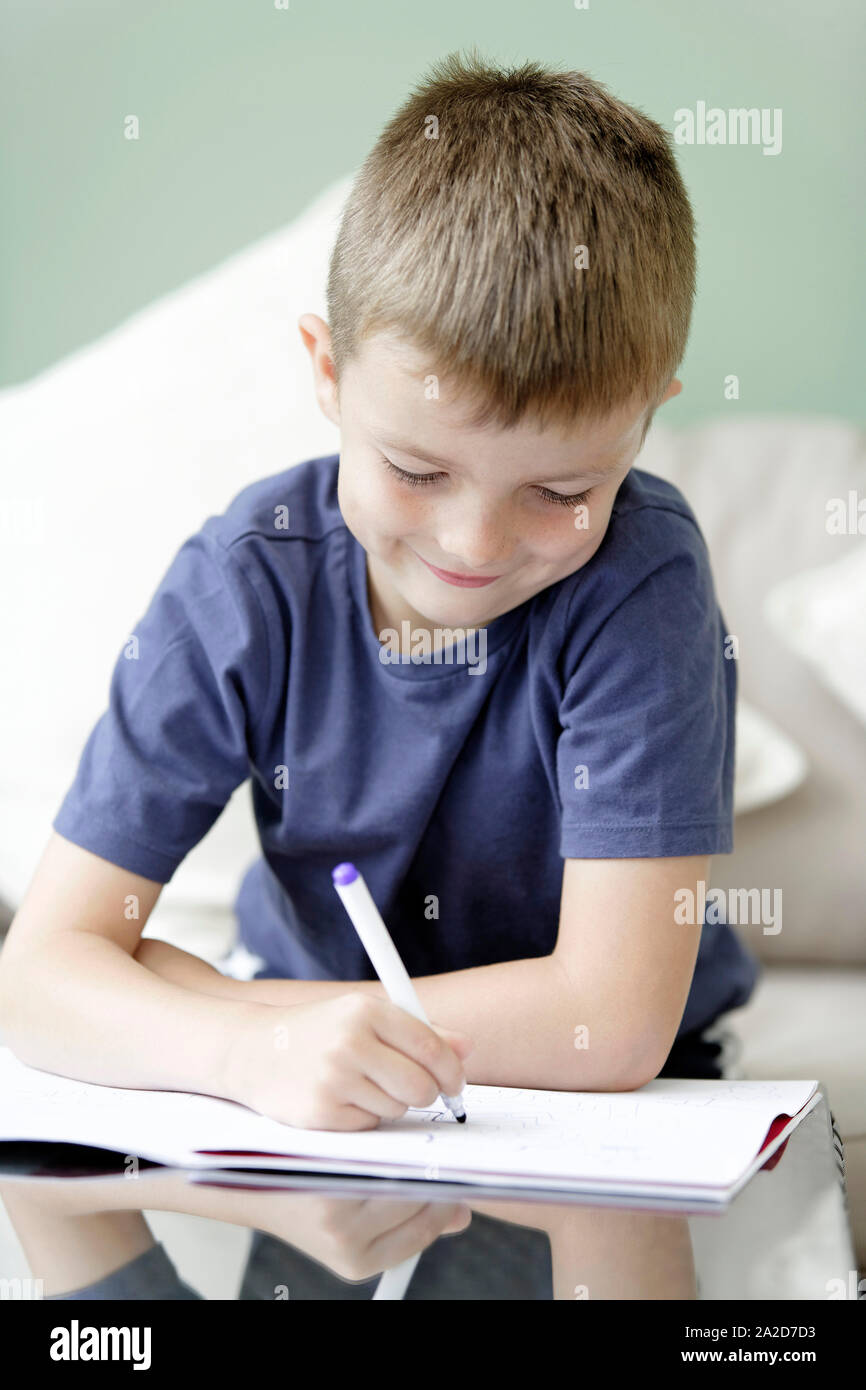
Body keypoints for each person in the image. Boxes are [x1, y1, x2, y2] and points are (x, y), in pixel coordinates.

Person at [0, 52, 759, 1137]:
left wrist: (249, 1010)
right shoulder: (244, 582)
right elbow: (38, 976)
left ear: (643, 422)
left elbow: (610, 1022)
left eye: (558, 490)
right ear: (326, 372)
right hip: (288, 1081)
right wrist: (247, 1048)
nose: (473, 543)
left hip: (621, 1102)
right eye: (414, 470)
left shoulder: (639, 579)